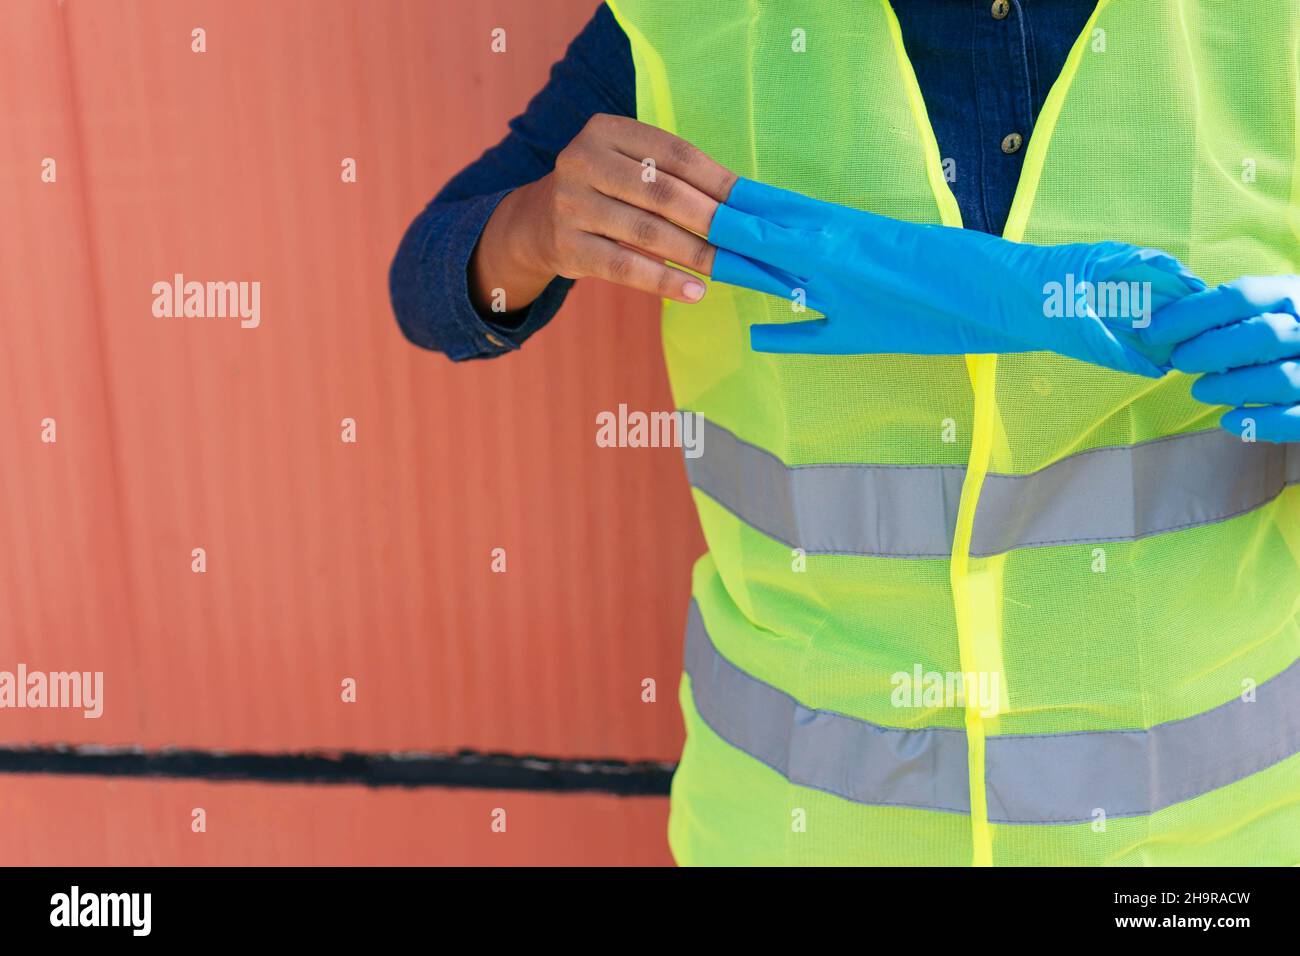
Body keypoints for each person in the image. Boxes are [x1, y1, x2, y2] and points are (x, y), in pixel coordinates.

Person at [390, 1, 1300, 865]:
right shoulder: (696, 22)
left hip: (1203, 854)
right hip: (807, 833)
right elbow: (430, 282)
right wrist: (535, 229)